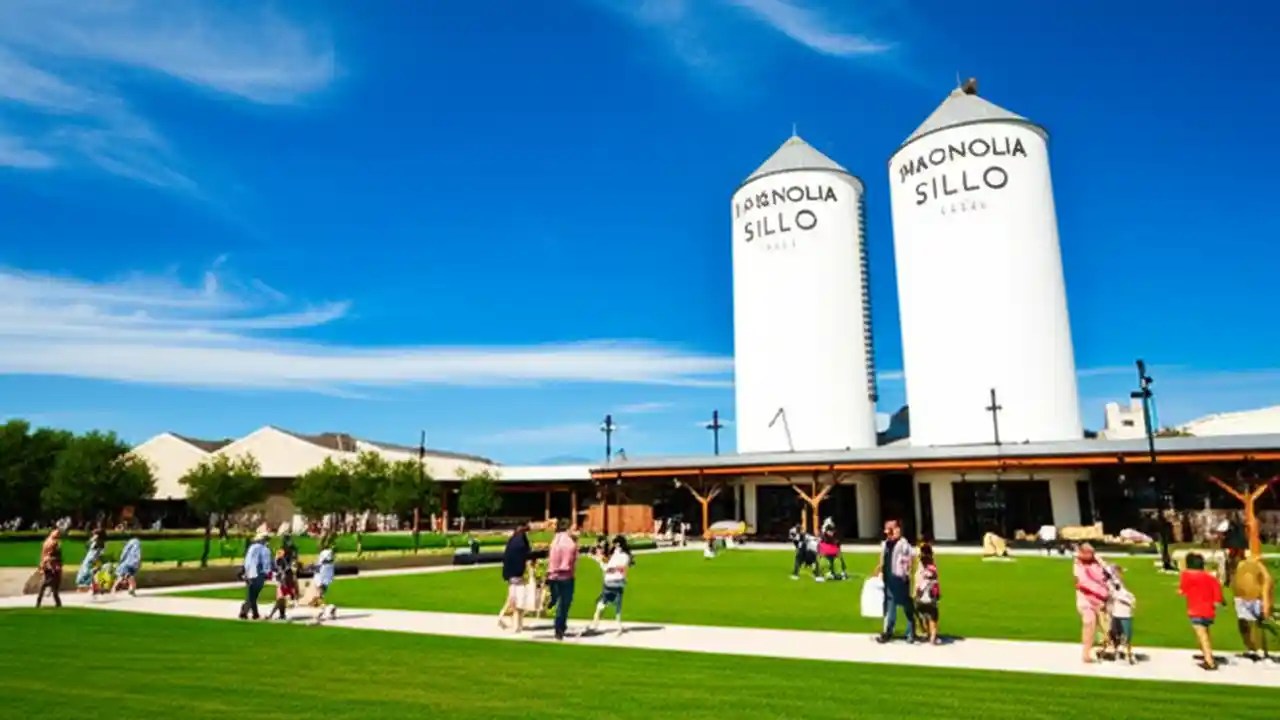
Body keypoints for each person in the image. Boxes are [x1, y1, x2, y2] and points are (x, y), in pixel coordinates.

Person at [1179, 552, 1225, 670]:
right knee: (1206, 632)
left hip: (1196, 610)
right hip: (1209, 610)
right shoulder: (1210, 577)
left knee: (1202, 634)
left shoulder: (1187, 575)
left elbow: (1182, 591)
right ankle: (1206, 653)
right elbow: (1218, 595)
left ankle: (1209, 661)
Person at [874, 519, 915, 644]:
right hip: (888, 577)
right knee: (890, 605)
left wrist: (907, 571)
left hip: (900, 577)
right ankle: (888, 631)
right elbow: (882, 558)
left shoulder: (903, 543)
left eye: (891, 529)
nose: (889, 532)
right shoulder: (886, 543)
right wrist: (879, 568)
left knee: (905, 604)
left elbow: (911, 557)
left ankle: (910, 632)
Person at [1231, 552, 1274, 661]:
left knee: (1257, 626)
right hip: (1241, 599)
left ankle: (1260, 650)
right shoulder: (1240, 564)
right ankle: (1250, 648)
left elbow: (1268, 580)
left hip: (1256, 599)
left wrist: (1266, 600)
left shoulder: (1259, 565)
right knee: (1243, 624)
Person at [1072, 543, 1110, 663]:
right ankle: (1086, 653)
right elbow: (1083, 582)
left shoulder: (1098, 563)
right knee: (1089, 622)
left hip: (1101, 599)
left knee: (1107, 627)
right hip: (1086, 599)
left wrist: (1101, 562)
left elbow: (1108, 575)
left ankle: (1105, 649)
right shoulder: (1078, 564)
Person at [588, 535, 632, 636]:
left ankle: (594, 624)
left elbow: (608, 568)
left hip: (610, 582)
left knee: (602, 603)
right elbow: (621, 569)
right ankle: (618, 626)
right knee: (618, 606)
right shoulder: (626, 556)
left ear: (618, 544)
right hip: (620, 583)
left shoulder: (616, 555)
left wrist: (599, 561)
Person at [546, 519, 579, 641]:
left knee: (559, 600)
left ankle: (553, 602)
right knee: (564, 603)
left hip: (553, 575)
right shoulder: (570, 543)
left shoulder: (555, 540)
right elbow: (571, 562)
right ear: (568, 528)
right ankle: (559, 628)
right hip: (565, 575)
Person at [498, 524, 532, 632]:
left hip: (510, 576)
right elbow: (528, 555)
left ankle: (514, 623)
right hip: (518, 576)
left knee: (512, 599)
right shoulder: (522, 543)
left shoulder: (511, 541)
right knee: (518, 602)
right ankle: (516, 625)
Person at [1104, 564, 1136, 664]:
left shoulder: (1118, 584)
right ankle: (1121, 652)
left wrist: (1131, 598)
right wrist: (1130, 600)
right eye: (1119, 572)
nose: (1121, 575)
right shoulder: (1112, 584)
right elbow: (1116, 595)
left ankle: (1125, 652)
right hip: (1118, 613)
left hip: (1123, 613)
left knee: (1124, 634)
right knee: (1119, 634)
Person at [239, 531, 273, 620]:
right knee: (253, 595)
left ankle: (255, 613)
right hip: (258, 573)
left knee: (251, 593)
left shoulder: (251, 548)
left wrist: (244, 572)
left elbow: (246, 561)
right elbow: (266, 562)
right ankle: (244, 611)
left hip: (249, 573)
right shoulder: (265, 549)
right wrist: (267, 573)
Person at [914, 543, 941, 644]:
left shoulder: (920, 566)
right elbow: (935, 582)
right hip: (931, 595)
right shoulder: (933, 566)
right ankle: (932, 637)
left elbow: (917, 583)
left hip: (920, 595)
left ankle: (926, 633)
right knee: (933, 617)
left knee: (923, 615)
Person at [306, 544, 339, 624]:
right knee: (320, 596)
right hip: (325, 579)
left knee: (320, 597)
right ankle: (328, 611)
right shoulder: (329, 563)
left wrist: (310, 566)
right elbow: (322, 564)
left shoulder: (324, 561)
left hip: (322, 580)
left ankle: (325, 612)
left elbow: (319, 567)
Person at [35, 529, 63, 608]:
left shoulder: (46, 542)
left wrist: (42, 565)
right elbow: (56, 556)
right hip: (52, 566)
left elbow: (43, 554)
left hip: (47, 565)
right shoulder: (55, 543)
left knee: (46, 585)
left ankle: (39, 601)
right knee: (53, 586)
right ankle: (57, 603)